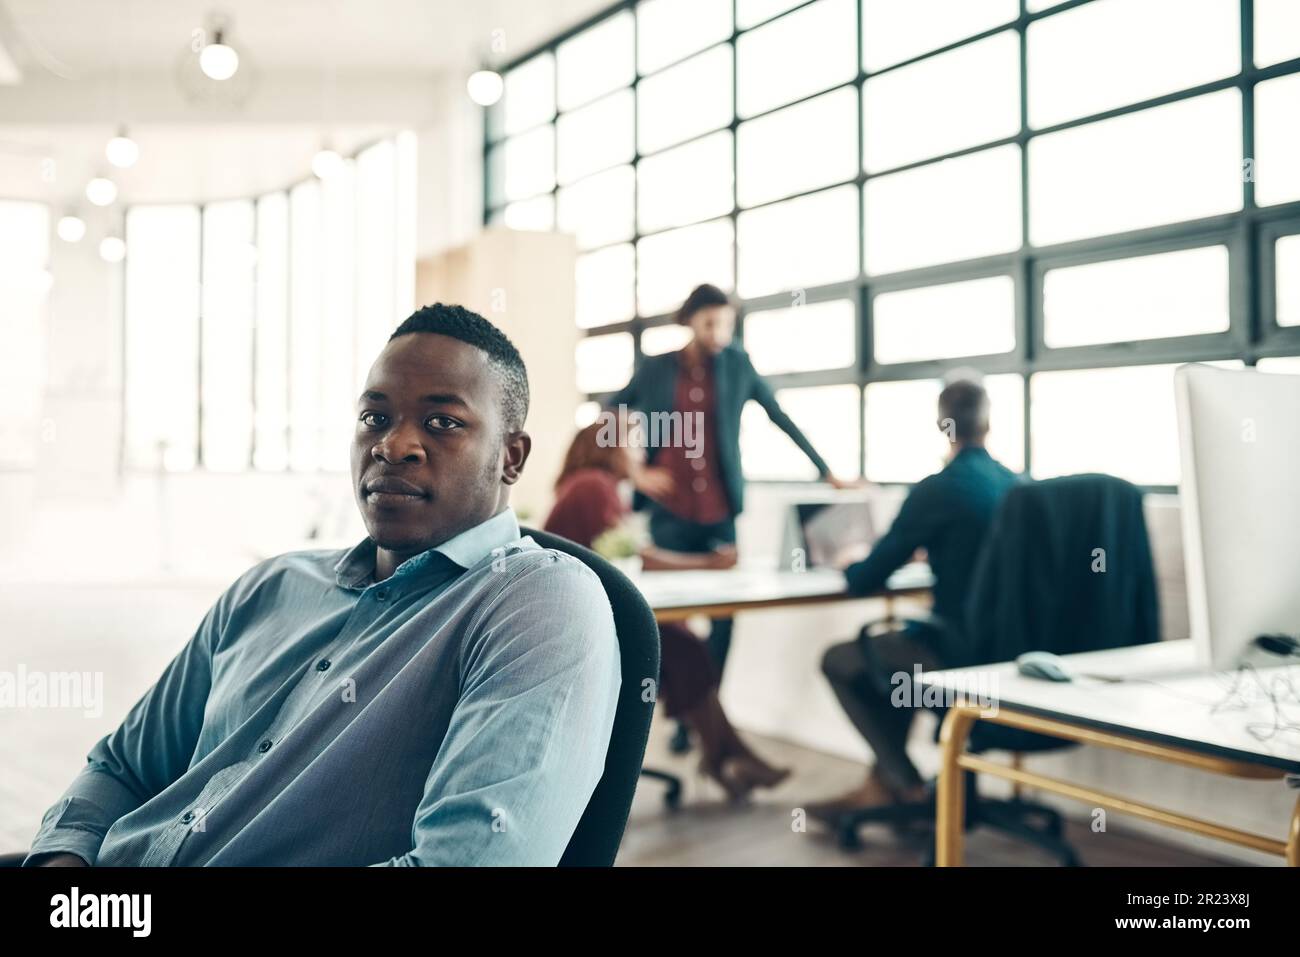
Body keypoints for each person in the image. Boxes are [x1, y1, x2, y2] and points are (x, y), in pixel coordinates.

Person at [24, 304, 621, 867]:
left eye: (442, 423)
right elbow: (122, 768)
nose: (393, 445)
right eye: (374, 418)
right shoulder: (271, 586)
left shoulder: (534, 603)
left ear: (511, 458)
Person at [607, 283, 854, 751]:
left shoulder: (738, 365)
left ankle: (703, 716)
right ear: (690, 322)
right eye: (709, 322)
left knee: (725, 618)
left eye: (726, 322)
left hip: (720, 513)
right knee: (671, 620)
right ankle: (680, 711)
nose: (719, 331)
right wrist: (636, 472)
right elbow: (610, 409)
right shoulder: (658, 368)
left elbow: (779, 416)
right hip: (671, 514)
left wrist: (827, 472)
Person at [807, 379, 1019, 822]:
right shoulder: (1017, 486)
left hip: (959, 655)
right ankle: (887, 785)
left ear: (944, 426)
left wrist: (849, 560)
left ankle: (905, 784)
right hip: (1012, 656)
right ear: (990, 424)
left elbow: (867, 578)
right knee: (893, 655)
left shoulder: (938, 489)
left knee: (843, 660)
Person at [544, 421, 790, 802]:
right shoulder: (594, 486)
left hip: (582, 619)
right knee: (681, 644)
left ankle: (724, 755)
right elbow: (636, 556)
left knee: (682, 641)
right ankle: (725, 756)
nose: (641, 455)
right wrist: (708, 563)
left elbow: (624, 555)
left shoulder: (591, 483)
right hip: (578, 630)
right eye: (633, 445)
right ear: (608, 448)